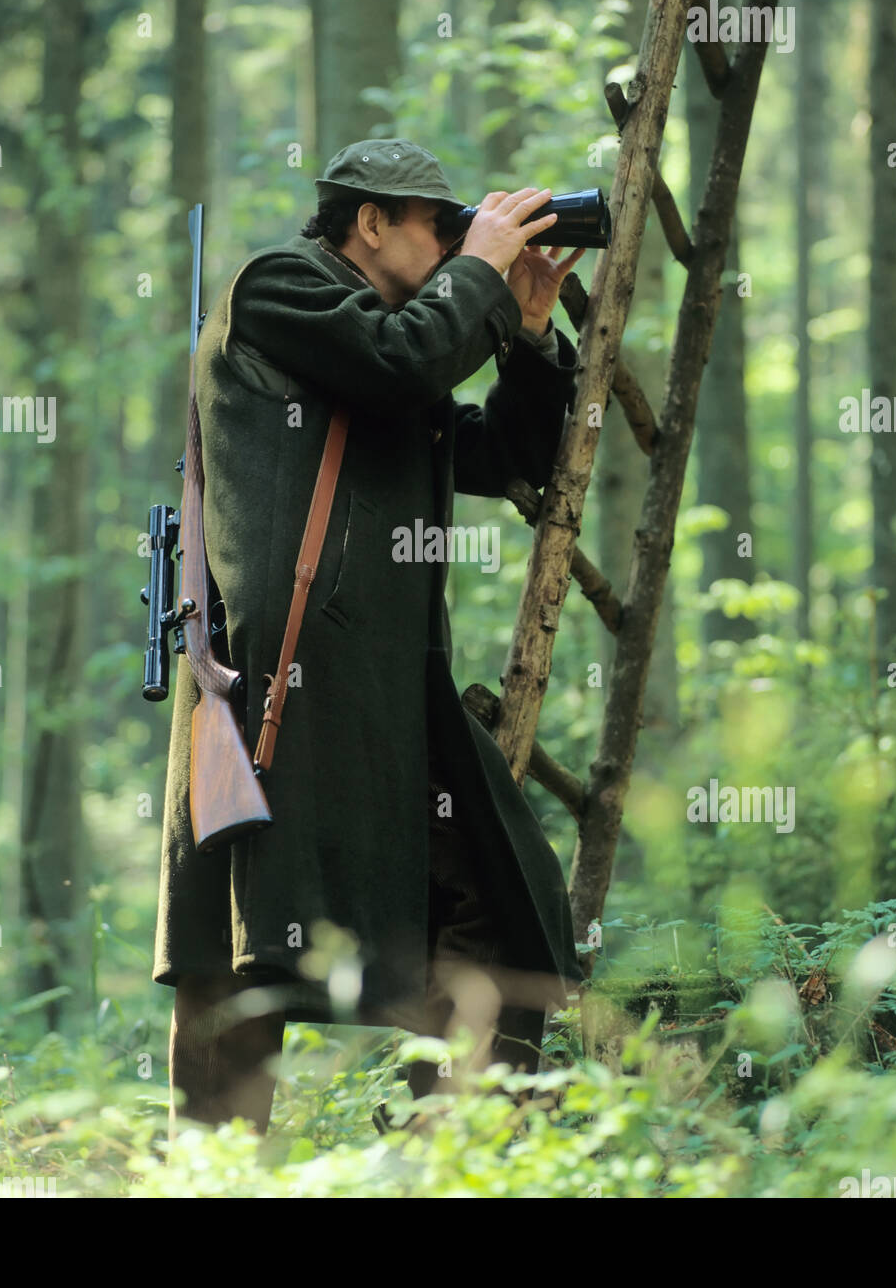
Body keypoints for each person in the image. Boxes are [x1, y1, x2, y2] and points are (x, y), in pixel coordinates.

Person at [154, 138, 587, 1137]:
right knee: (240, 951)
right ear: (369, 221)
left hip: (387, 690)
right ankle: (210, 1169)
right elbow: (404, 363)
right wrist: (479, 266)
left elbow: (512, 454)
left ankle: (452, 1150)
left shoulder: (394, 339)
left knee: (496, 902)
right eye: (438, 225)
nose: (452, 242)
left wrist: (523, 330)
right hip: (280, 679)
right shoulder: (281, 290)